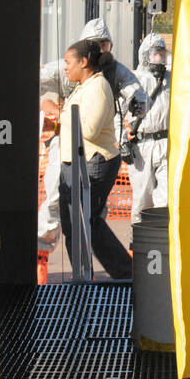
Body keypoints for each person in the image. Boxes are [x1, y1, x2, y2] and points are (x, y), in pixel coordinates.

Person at [38, 18, 148, 249]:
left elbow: (134, 88)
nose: (100, 50)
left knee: (94, 209)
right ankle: (42, 257)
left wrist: (138, 103)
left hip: (97, 146)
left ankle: (89, 256)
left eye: (104, 46)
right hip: (68, 140)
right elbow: (37, 79)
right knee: (55, 199)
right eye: (94, 45)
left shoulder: (114, 71)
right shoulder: (66, 66)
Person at [55, 38, 132, 280]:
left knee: (87, 221)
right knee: (74, 224)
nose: (65, 67)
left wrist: (57, 112)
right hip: (75, 162)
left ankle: (123, 274)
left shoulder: (98, 88)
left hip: (93, 162)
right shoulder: (83, 87)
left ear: (84, 62)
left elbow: (89, 130)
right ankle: (85, 275)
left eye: (68, 62)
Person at [128, 33, 171, 223]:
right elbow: (118, 112)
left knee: (166, 199)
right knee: (142, 200)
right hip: (142, 146)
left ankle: (161, 243)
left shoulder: (172, 78)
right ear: (146, 55)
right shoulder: (134, 79)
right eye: (156, 54)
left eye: (163, 54)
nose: (160, 58)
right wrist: (122, 140)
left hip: (165, 143)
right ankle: (138, 246)